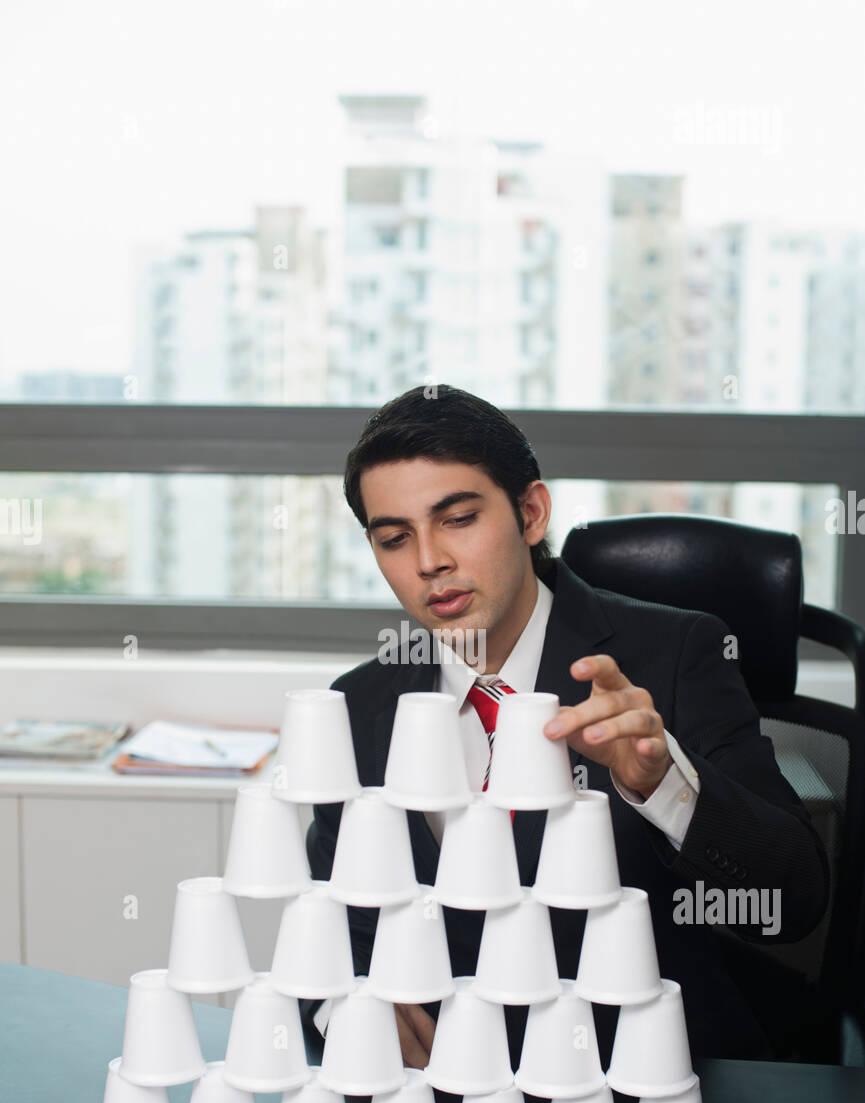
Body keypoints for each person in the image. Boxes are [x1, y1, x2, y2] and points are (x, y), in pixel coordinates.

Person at [303, 384, 829, 1067]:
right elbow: (337, 921)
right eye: (394, 538)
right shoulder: (358, 706)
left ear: (529, 512)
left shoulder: (674, 656)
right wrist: (349, 998)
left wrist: (663, 782)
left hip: (639, 1079)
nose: (428, 560)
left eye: (458, 518)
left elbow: (789, 902)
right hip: (442, 1088)